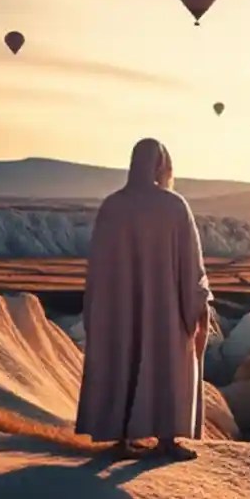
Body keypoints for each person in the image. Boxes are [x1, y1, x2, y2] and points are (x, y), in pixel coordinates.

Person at [75, 138, 213, 460]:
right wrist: (196, 304)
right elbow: (192, 265)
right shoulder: (174, 206)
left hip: (118, 311)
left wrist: (100, 310)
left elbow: (98, 267)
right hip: (165, 311)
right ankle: (166, 440)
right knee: (166, 363)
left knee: (121, 358)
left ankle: (120, 438)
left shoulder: (112, 207)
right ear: (160, 165)